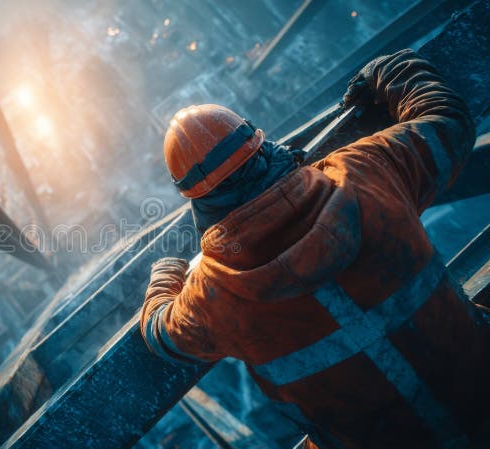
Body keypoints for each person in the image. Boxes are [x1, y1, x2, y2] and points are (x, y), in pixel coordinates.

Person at [139, 49, 488, 449]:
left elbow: (159, 333)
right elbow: (449, 124)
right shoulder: (364, 171)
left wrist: (166, 271)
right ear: (263, 147)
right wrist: (388, 69)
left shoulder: (212, 295)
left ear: (200, 205)